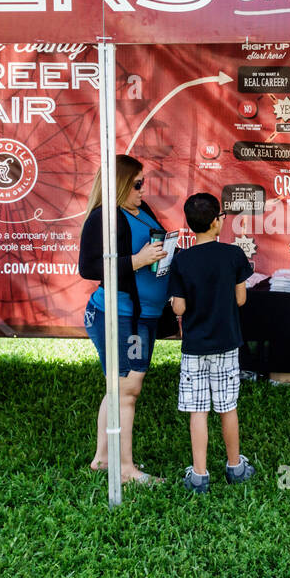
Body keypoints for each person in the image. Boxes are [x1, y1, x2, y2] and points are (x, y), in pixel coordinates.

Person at [78, 155, 169, 485]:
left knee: (120, 389)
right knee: (126, 390)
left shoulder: (141, 212)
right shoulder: (104, 217)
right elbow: (88, 268)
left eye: (144, 182)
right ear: (120, 184)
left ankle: (104, 458)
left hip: (144, 315)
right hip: (120, 314)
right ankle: (124, 468)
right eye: (138, 183)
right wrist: (138, 260)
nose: (143, 189)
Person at [167, 193, 255, 493]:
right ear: (217, 222)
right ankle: (235, 466)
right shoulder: (233, 256)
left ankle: (200, 475)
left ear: (190, 225)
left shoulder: (182, 260)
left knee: (198, 411)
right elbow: (241, 299)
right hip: (227, 344)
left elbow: (178, 308)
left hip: (194, 347)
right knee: (228, 407)